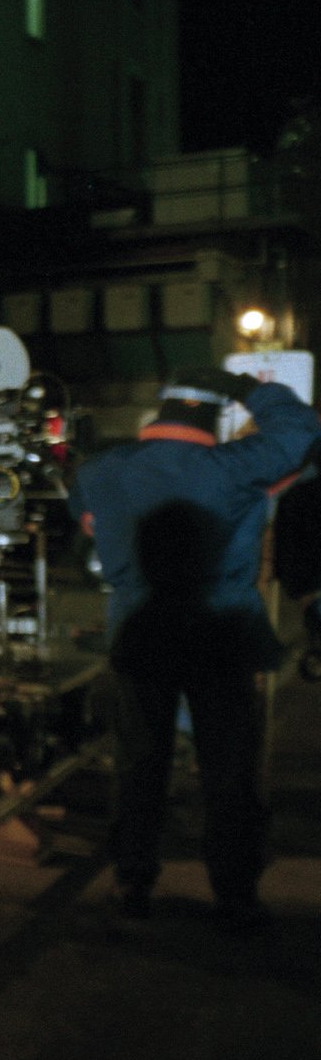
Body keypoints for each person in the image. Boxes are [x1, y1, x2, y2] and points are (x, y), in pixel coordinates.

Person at [69, 367, 319, 932]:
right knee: (228, 769)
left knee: (139, 762)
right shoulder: (235, 469)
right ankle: (235, 894)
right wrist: (250, 389)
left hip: (140, 630)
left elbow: (85, 520)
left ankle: (133, 882)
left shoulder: (100, 471)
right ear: (214, 415)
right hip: (221, 635)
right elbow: (301, 429)